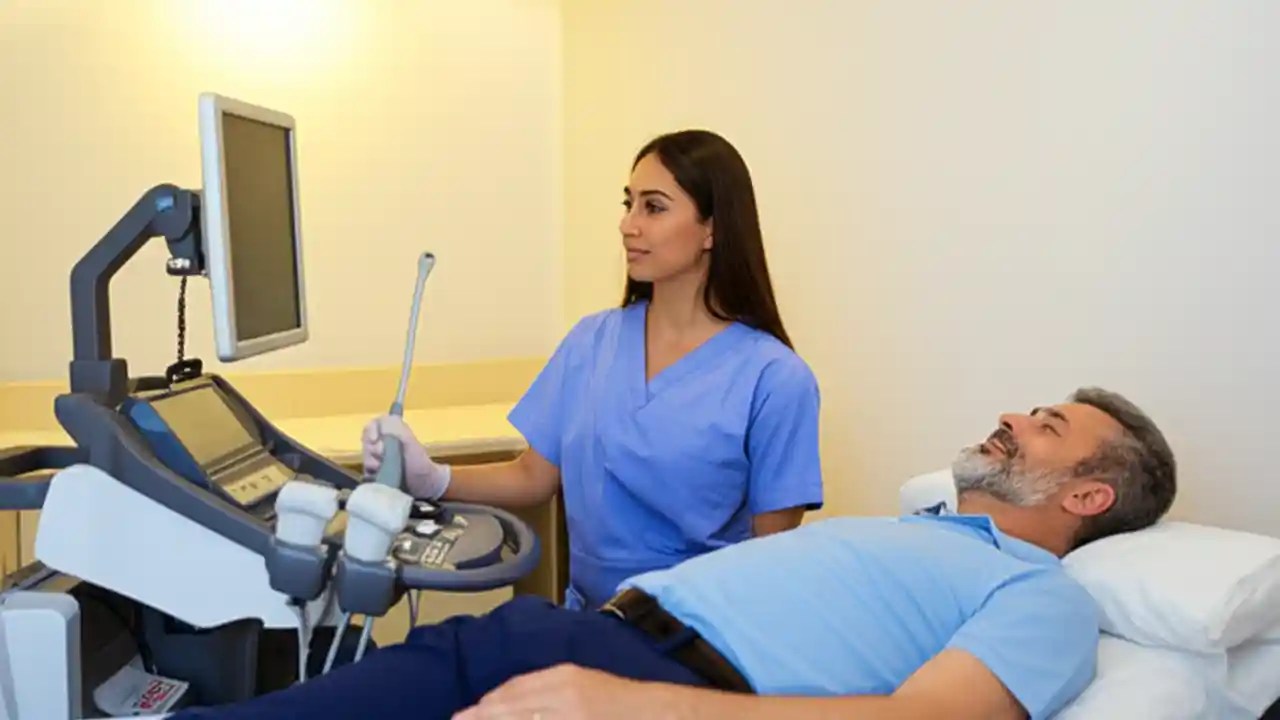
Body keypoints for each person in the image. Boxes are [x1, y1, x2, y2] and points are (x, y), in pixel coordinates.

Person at [173, 386, 1176, 720]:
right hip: (568, 641)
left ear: (1088, 496)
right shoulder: (921, 535)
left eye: (1043, 426)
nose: (1009, 416)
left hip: (636, 683)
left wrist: (636, 701)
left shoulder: (1042, 596)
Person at [362, 130, 824, 609]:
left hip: (693, 641)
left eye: (654, 207)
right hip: (586, 622)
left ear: (713, 229)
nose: (629, 225)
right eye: (629, 204)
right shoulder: (592, 341)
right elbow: (533, 478)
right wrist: (432, 479)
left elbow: (770, 566)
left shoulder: (774, 380)